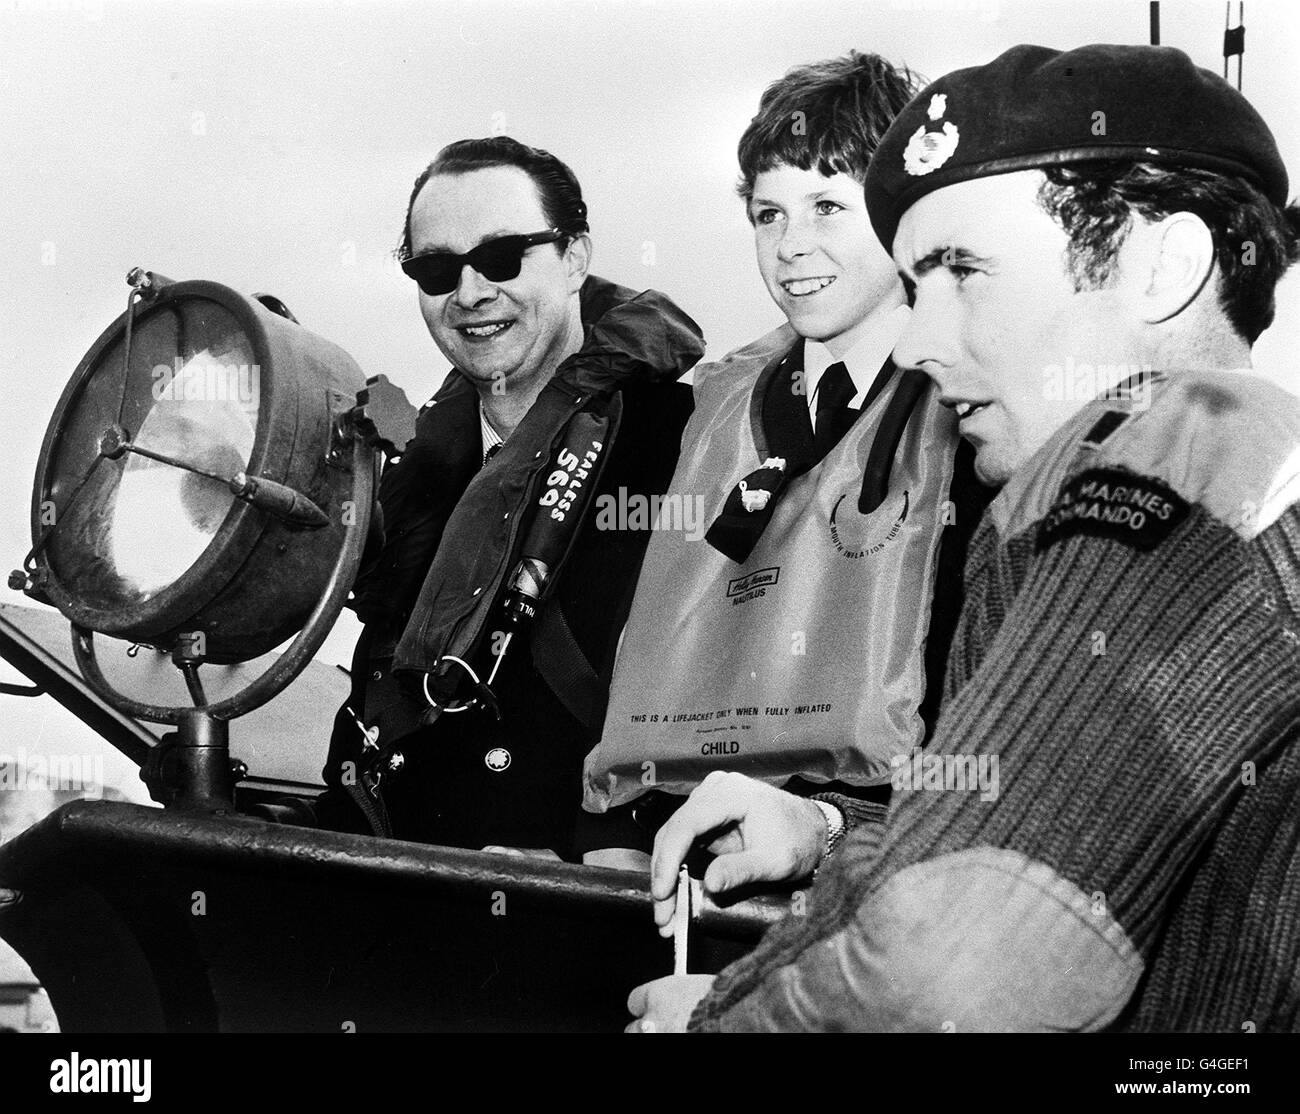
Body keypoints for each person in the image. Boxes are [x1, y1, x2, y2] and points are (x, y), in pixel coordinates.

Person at [629, 42, 1300, 1032]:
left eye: (960, 271)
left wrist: (723, 1021)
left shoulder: (1169, 448)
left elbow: (961, 974)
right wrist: (827, 827)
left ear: (1165, 264)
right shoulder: (1217, 475)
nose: (913, 339)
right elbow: (1064, 827)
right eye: (913, 281)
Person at [580, 51, 993, 863]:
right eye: (769, 216)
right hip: (677, 855)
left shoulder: (972, 418)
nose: (791, 247)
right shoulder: (703, 415)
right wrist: (611, 838)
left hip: (874, 863)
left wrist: (835, 830)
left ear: (901, 213)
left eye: (827, 207)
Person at [315, 137, 704, 860]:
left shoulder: (685, 445)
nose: (468, 294)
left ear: (577, 257)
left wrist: (613, 851)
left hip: (581, 914)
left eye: (501, 258)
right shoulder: (414, 479)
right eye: (436, 269)